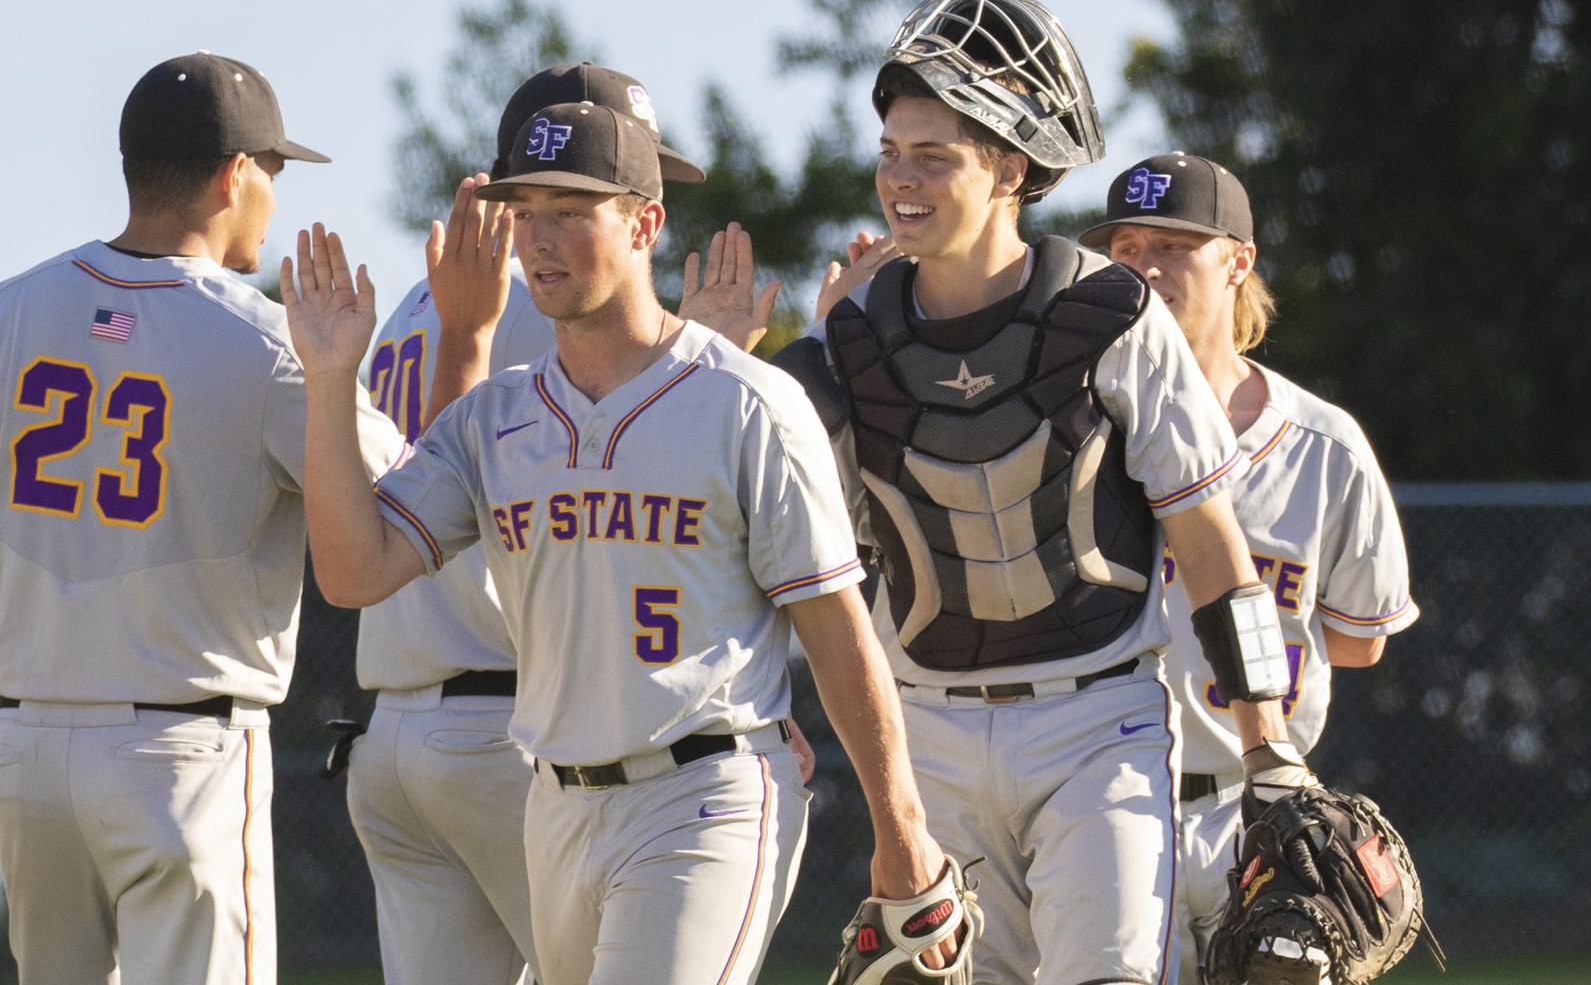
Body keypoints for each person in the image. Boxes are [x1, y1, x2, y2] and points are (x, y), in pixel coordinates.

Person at [281, 99, 956, 985]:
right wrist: (331, 380)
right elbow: (352, 572)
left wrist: (901, 829)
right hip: (553, 806)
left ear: (645, 222)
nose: (540, 240)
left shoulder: (745, 401)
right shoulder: (494, 418)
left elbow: (836, 629)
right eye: (527, 214)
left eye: (571, 210)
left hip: (705, 792)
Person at [778, 0, 1312, 984]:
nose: (901, 178)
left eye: (933, 156)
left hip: (1096, 715)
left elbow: (1208, 542)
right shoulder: (842, 347)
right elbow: (792, 562)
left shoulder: (1107, 315)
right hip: (927, 721)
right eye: (891, 151)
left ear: (1009, 170)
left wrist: (1267, 750)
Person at [345, 61, 810, 985]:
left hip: (392, 721)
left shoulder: (412, 303)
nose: (648, 209)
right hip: (518, 726)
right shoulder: (536, 311)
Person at [0, 52, 400, 983]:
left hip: (22, 745)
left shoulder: (12, 312)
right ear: (233, 175)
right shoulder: (263, 343)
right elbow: (407, 499)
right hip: (182, 749)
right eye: (274, 169)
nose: (274, 192)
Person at [1079, 151, 1420, 984]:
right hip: (1102, 799)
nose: (1147, 268)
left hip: (1259, 810)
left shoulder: (1324, 446)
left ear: (1238, 260)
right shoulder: (1076, 433)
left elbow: (1359, 641)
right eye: (1126, 248)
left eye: (1174, 246)